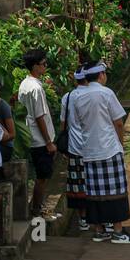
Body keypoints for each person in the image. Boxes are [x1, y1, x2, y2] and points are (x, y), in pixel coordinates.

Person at [64, 56, 130, 243]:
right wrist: (120, 144)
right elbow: (119, 122)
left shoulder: (77, 97)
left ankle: (99, 230)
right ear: (100, 75)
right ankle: (118, 231)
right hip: (109, 148)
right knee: (116, 190)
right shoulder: (106, 94)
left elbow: (75, 123)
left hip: (88, 150)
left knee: (94, 192)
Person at [18, 49, 58, 221]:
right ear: (35, 66)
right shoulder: (36, 88)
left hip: (31, 135)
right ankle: (37, 209)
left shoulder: (25, 84)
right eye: (43, 64)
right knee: (43, 176)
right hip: (40, 139)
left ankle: (37, 207)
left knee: (41, 175)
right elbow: (40, 116)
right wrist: (48, 141)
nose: (45, 67)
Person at [58, 69, 92, 230]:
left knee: (78, 184)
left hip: (74, 146)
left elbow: (63, 124)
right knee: (96, 182)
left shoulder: (68, 97)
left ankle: (83, 218)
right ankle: (100, 218)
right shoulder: (95, 94)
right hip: (94, 146)